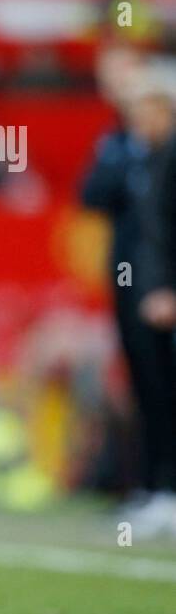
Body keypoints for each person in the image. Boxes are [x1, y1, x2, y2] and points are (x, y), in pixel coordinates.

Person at [122, 66, 176, 537]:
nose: (137, 122)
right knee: (157, 391)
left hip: (165, 289)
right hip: (156, 287)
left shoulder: (168, 156)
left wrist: (164, 286)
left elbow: (164, 232)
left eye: (144, 111)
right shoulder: (152, 157)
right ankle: (162, 490)